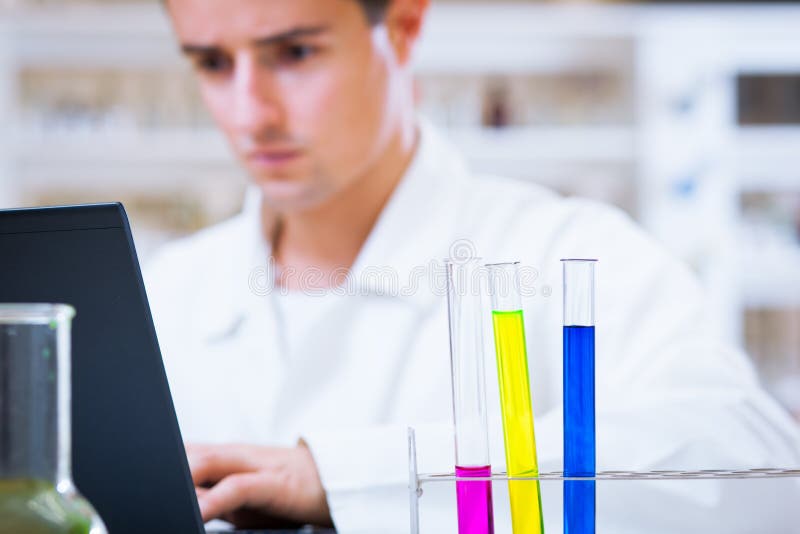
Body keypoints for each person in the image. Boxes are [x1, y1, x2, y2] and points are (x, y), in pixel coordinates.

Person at [145, 0, 800, 532]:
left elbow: (751, 468)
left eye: (295, 53)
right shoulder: (162, 292)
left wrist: (341, 477)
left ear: (404, 26)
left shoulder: (569, 252)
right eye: (210, 63)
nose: (249, 113)